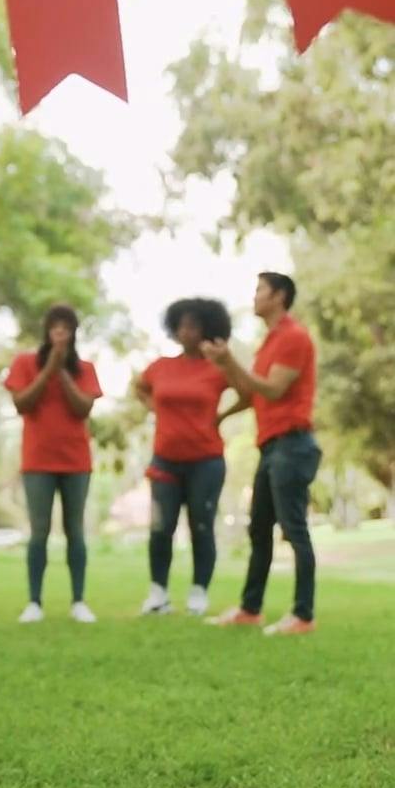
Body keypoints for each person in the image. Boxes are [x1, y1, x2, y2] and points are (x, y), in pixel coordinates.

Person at [202, 271, 320, 636]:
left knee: (294, 530)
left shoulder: (293, 338)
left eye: (259, 290)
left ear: (279, 296)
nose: (254, 297)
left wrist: (230, 362)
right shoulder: (269, 342)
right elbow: (252, 393)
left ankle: (303, 615)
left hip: (292, 444)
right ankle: (250, 609)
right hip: (271, 446)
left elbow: (271, 389)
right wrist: (224, 373)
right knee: (258, 530)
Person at [133, 297, 233, 618]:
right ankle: (158, 594)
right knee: (161, 528)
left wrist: (223, 416)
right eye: (182, 325)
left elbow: (249, 391)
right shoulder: (160, 367)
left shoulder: (218, 368)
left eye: (194, 325)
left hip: (206, 460)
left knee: (201, 526)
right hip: (165, 461)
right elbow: (139, 387)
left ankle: (198, 592)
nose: (187, 331)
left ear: (207, 329)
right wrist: (155, 409)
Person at [4, 305, 101, 625]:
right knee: (39, 531)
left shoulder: (84, 368)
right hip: (37, 461)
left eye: (66, 327)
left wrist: (62, 371)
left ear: (74, 333)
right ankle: (34, 602)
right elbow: (22, 403)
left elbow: (83, 408)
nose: (60, 332)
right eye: (54, 327)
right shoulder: (24, 363)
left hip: (76, 461)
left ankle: (79, 600)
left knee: (75, 530)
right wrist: (48, 369)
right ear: (46, 331)